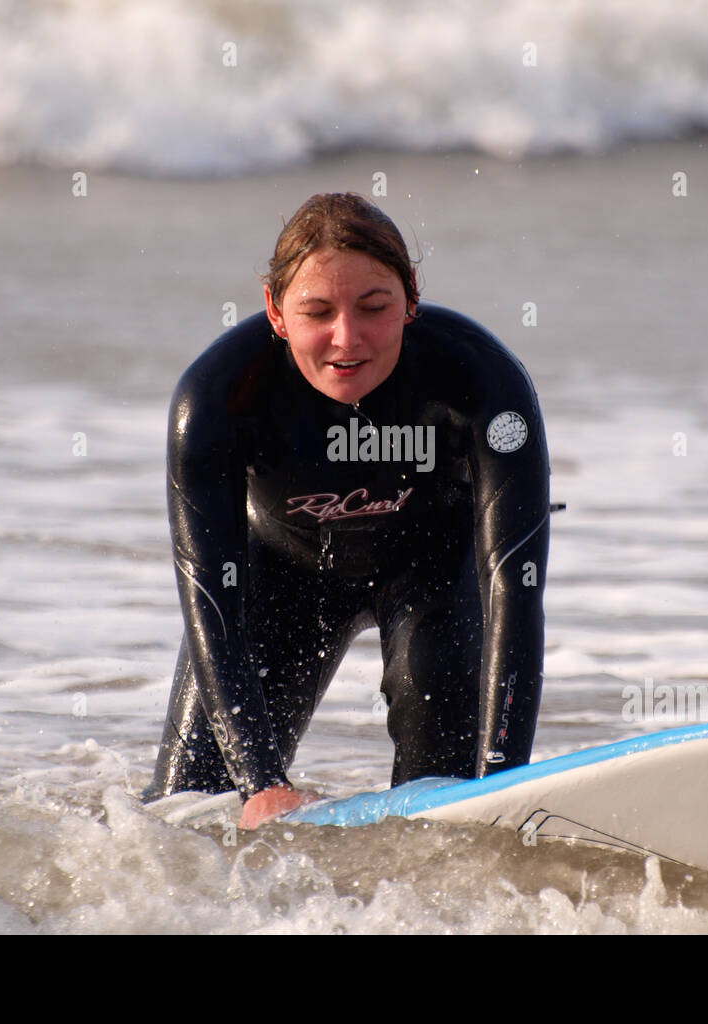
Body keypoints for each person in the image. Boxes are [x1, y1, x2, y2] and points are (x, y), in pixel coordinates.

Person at [142, 192, 551, 829]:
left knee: (448, 811)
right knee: (185, 821)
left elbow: (515, 596)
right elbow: (211, 608)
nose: (347, 338)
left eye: (374, 307)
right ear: (277, 312)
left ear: (411, 297)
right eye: (316, 311)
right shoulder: (218, 398)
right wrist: (261, 784)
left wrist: (503, 787)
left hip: (432, 573)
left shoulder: (482, 381)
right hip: (279, 576)